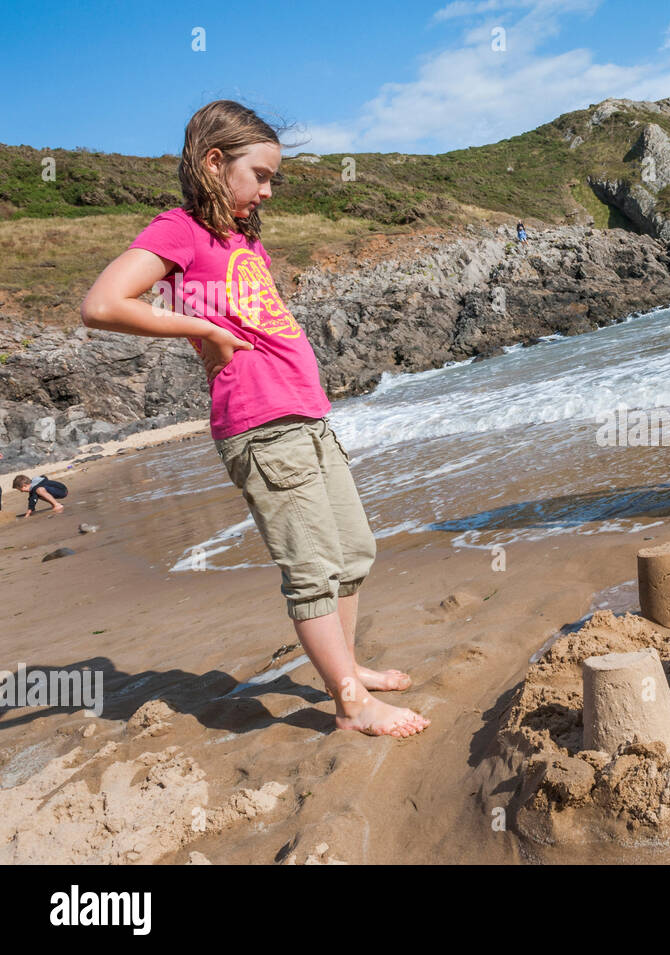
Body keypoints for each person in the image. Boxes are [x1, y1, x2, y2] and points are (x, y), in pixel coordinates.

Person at [79, 100, 429, 739]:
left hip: (304, 415)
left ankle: (345, 669)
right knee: (312, 570)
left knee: (352, 552)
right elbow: (102, 303)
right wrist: (201, 328)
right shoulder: (179, 228)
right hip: (261, 426)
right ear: (215, 162)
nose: (268, 190)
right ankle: (350, 705)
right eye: (260, 175)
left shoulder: (239, 237)